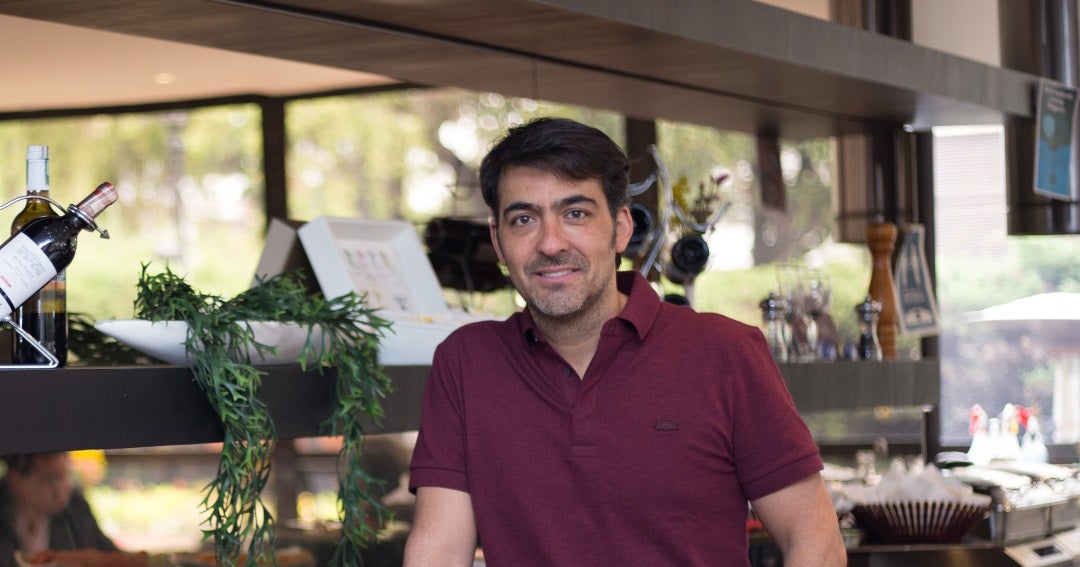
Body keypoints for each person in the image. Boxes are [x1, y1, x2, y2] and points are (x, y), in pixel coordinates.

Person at [404, 117, 846, 566]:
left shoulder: (724, 352)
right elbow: (439, 550)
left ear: (620, 228)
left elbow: (816, 542)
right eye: (524, 219)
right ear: (498, 242)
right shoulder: (466, 363)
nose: (550, 243)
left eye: (576, 214)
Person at [0, 452, 117, 567]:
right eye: (52, 478)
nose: (65, 487)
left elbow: (108, 555)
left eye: (68, 474)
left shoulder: (75, 508)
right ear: (16, 479)